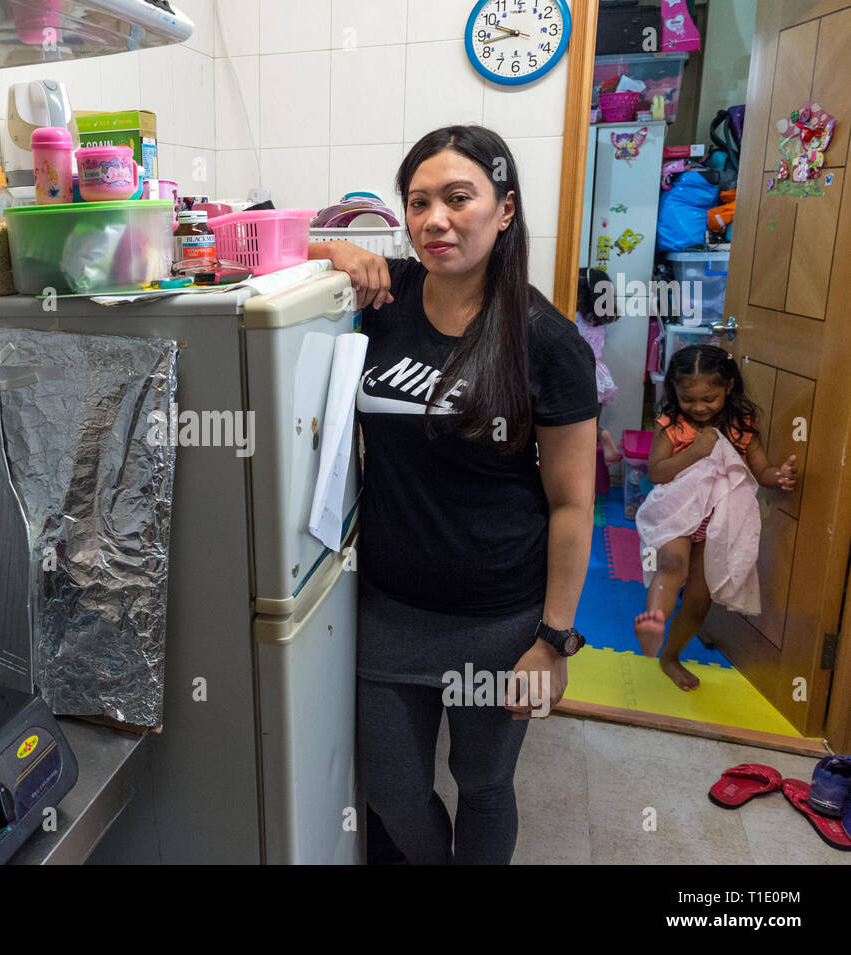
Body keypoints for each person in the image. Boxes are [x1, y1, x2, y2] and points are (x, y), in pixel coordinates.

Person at [309, 125, 597, 864]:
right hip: (389, 604)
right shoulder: (386, 298)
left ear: (504, 210)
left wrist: (553, 641)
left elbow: (572, 503)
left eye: (458, 198)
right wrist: (340, 248)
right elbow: (289, 253)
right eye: (419, 202)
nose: (435, 219)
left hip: (498, 617)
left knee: (483, 783)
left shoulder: (547, 338)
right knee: (393, 789)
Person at [633, 345, 798, 690]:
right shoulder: (671, 426)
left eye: (709, 398)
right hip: (677, 511)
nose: (698, 407)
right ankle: (654, 620)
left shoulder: (741, 427)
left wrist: (778, 476)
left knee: (698, 598)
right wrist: (694, 452)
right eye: (688, 399)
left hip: (718, 522)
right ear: (675, 393)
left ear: (729, 387)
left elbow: (761, 470)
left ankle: (670, 656)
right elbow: (658, 473)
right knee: (672, 563)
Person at [575, 267, 622, 465]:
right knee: (590, 422)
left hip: (576, 373)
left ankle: (600, 437)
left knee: (575, 425)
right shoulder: (597, 320)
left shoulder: (574, 317)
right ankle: (601, 435)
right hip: (598, 375)